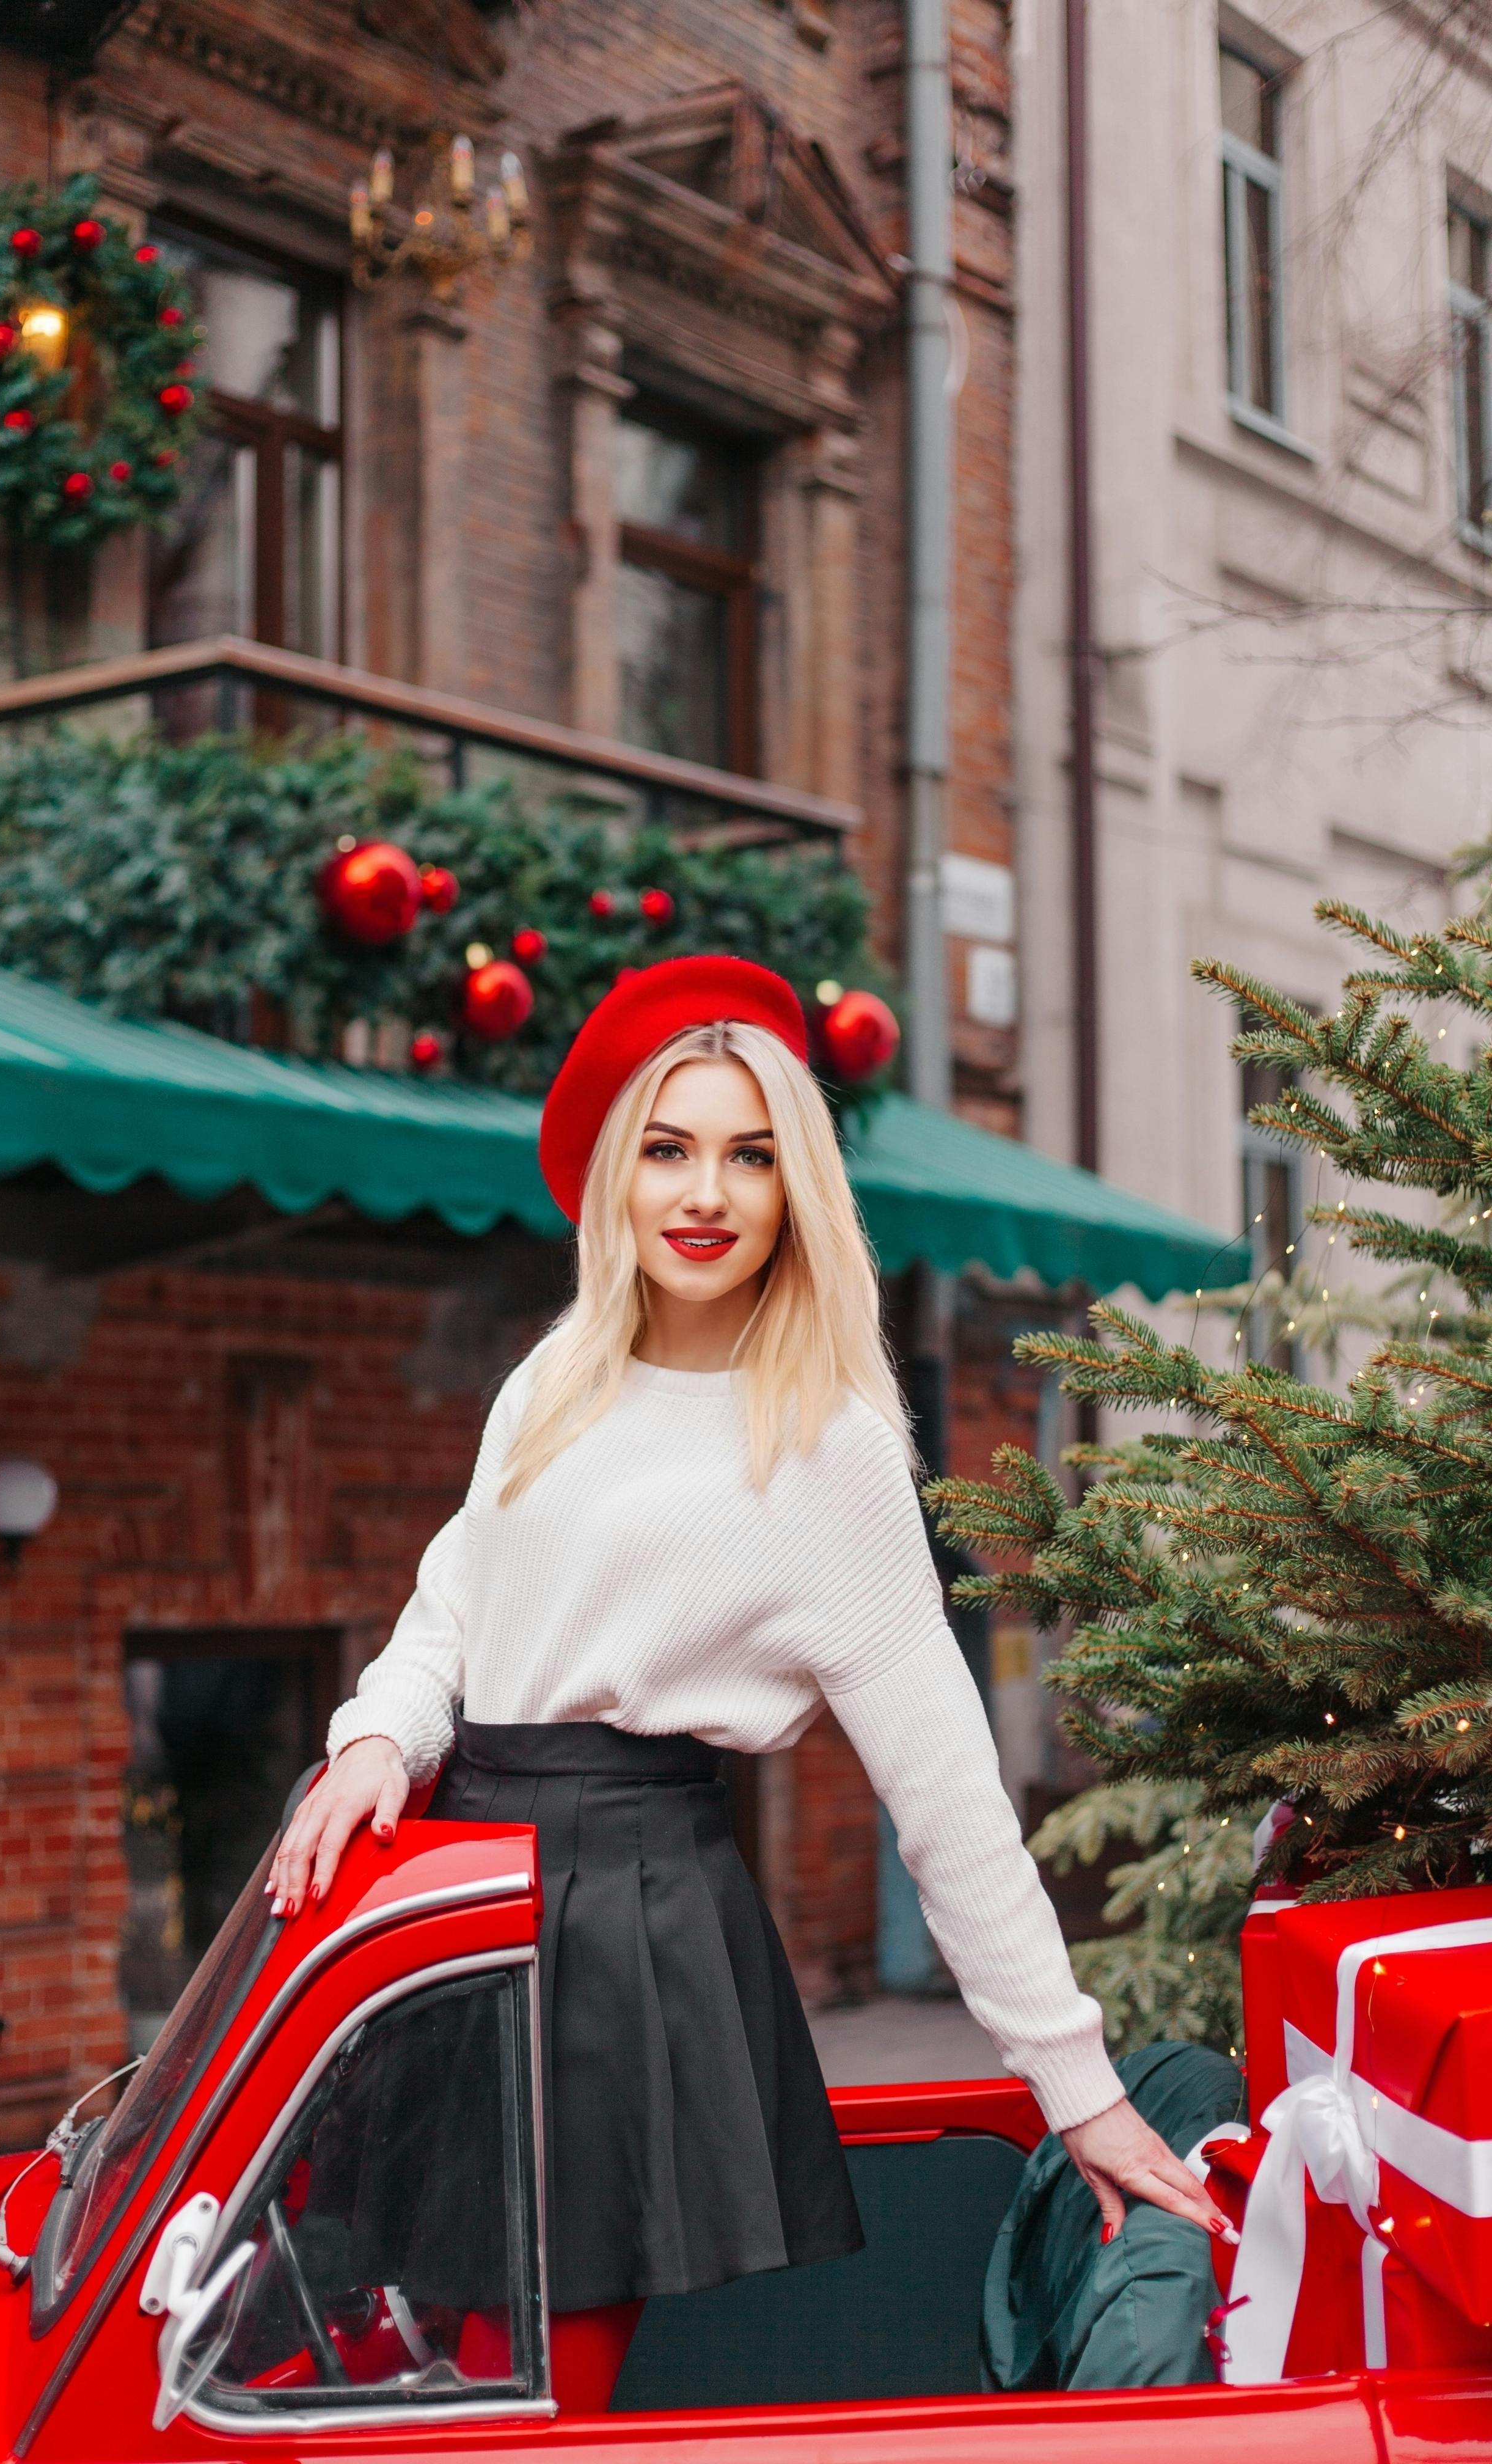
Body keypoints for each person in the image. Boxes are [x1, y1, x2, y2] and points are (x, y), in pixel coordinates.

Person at [268, 956, 1232, 2397]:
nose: (703, 1194)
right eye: (668, 1150)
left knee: (529, 2389)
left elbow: (948, 1795)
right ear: (617, 1174)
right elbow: (455, 1601)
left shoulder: (828, 1441)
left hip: (626, 1915)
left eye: (748, 1156)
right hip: (460, 1886)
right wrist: (375, 1743)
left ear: (797, 1193)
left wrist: (1078, 2091)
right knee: (418, 2362)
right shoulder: (556, 1378)